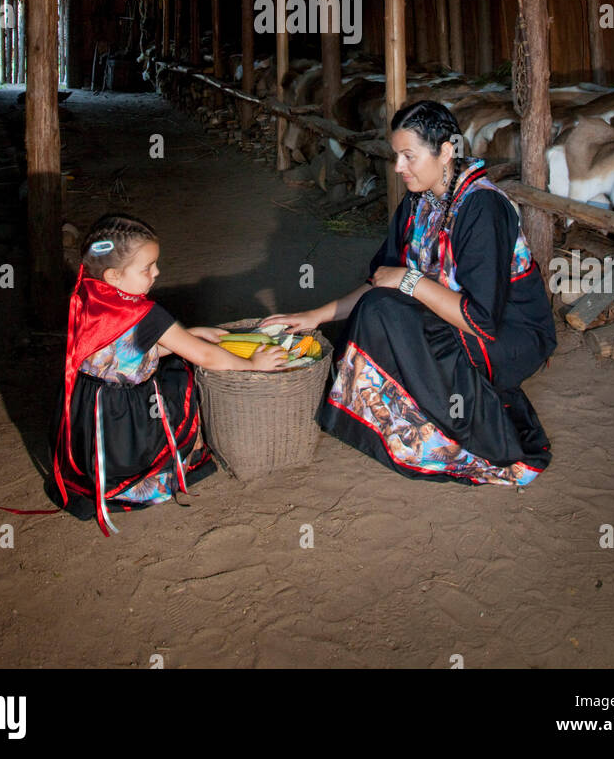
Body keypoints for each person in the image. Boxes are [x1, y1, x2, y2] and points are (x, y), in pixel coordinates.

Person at [261, 102, 557, 488]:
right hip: (457, 320)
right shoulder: (420, 203)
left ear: (446, 151)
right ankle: (424, 412)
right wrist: (315, 316)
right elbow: (381, 280)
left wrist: (410, 282)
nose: (399, 167)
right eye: (397, 155)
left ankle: (482, 430)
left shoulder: (482, 208)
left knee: (387, 311)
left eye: (408, 156)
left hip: (509, 335)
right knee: (375, 308)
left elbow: (481, 320)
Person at [47, 213, 287, 534]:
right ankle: (172, 460)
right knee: (181, 374)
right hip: (125, 434)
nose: (157, 272)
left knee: (171, 358)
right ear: (114, 275)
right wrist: (253, 364)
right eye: (147, 268)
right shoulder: (144, 313)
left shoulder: (87, 296)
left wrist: (190, 332)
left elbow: (125, 353)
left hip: (86, 423)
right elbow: (204, 356)